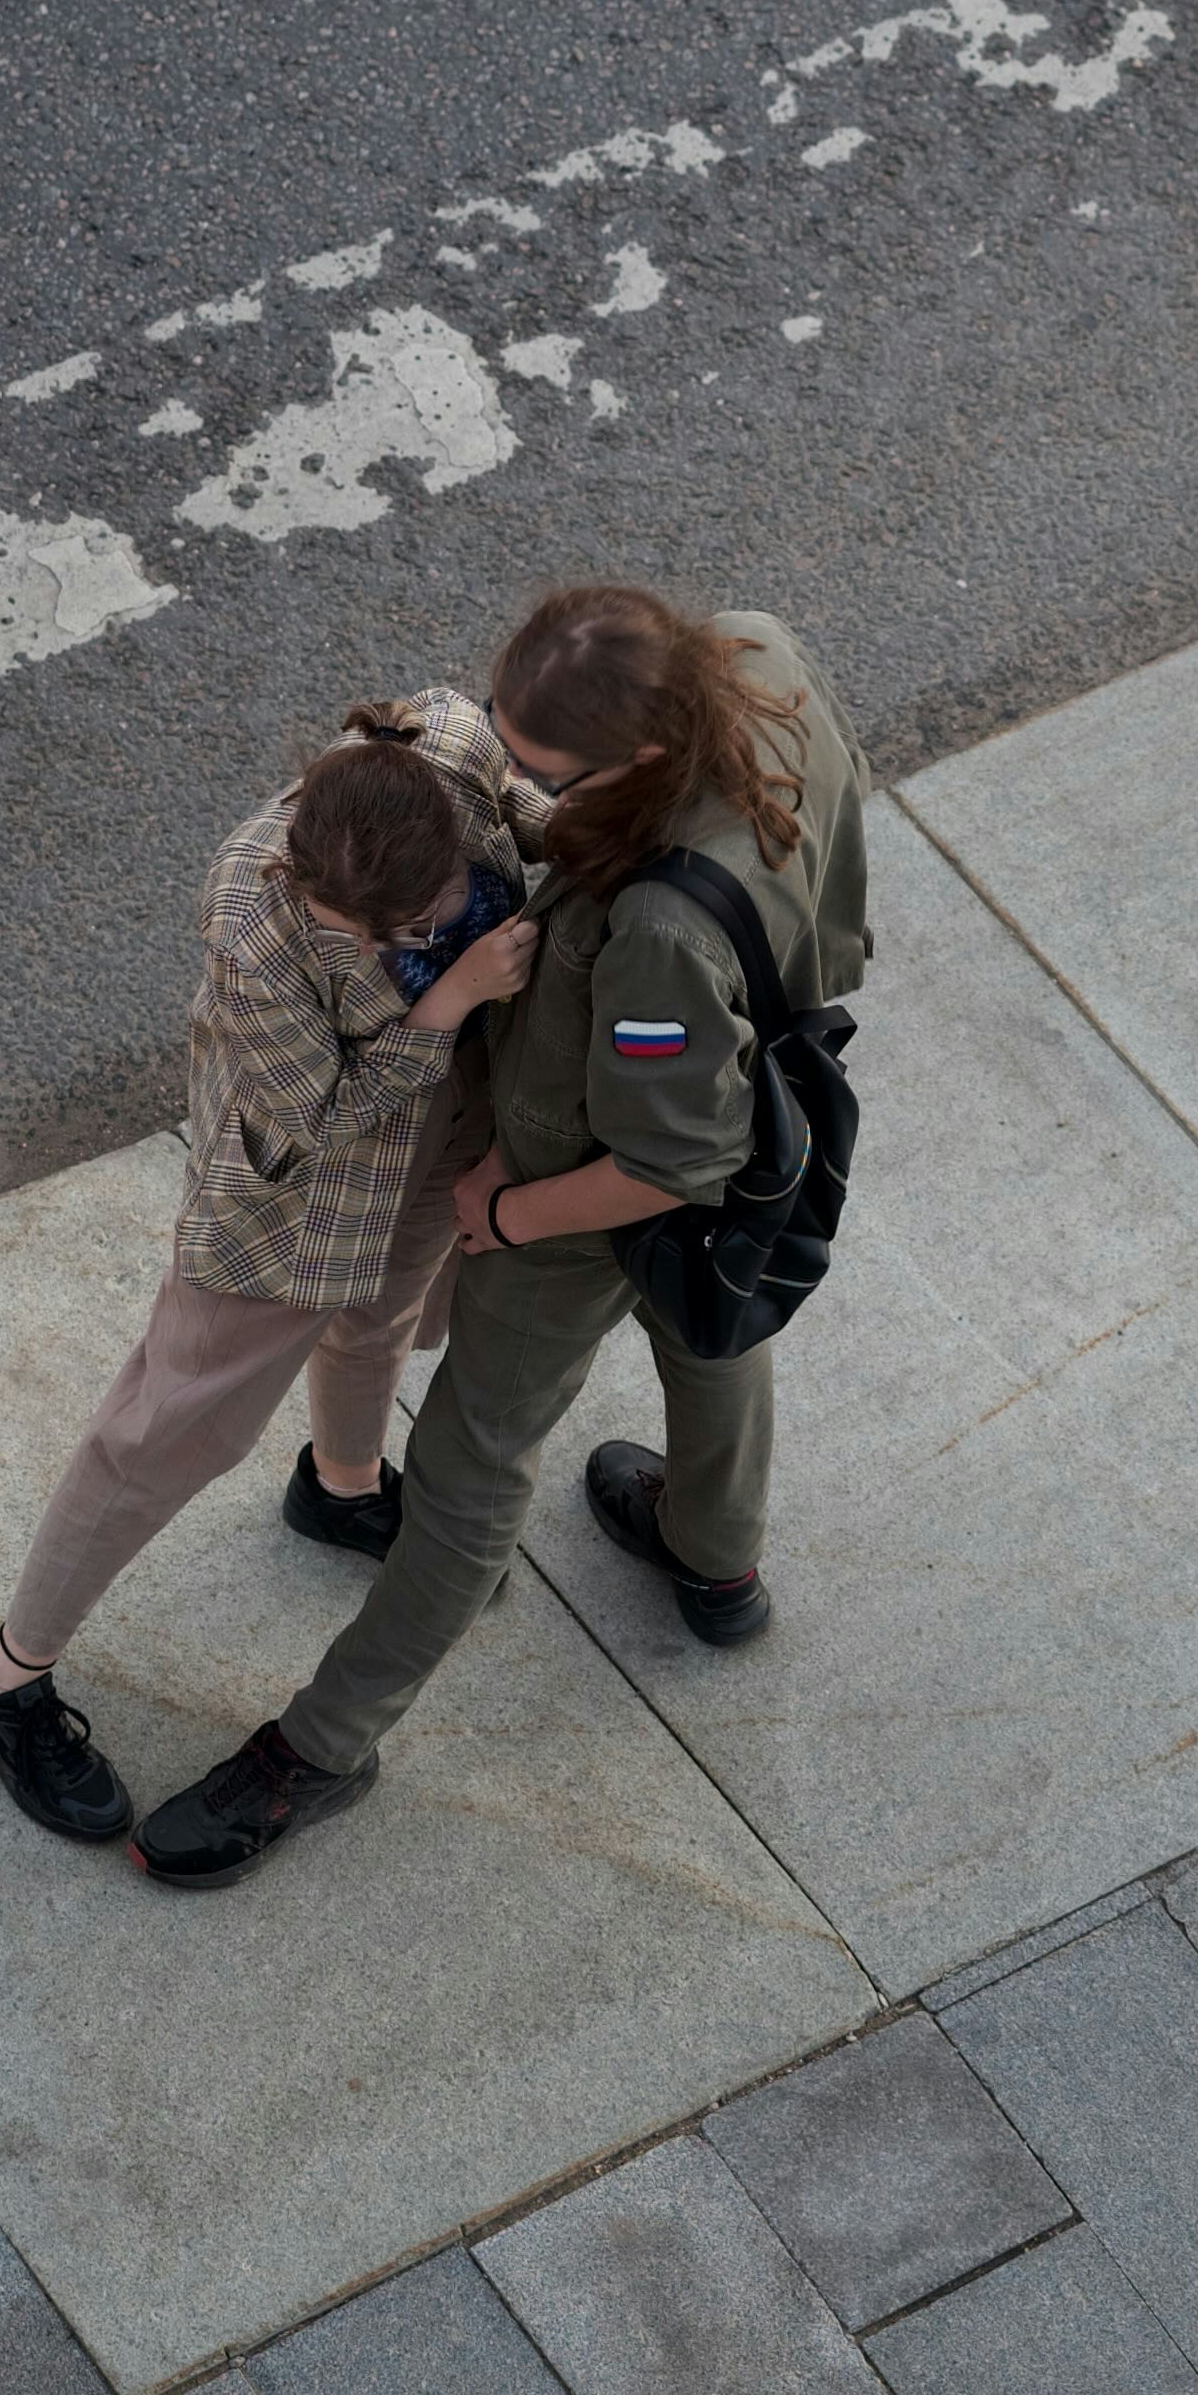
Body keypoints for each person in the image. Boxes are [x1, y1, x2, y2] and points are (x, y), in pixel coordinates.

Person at [131, 582, 868, 1883]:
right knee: (713, 1311)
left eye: (538, 772)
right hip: (752, 1069)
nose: (509, 788)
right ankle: (715, 1560)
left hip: (589, 1169)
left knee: (470, 1466)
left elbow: (664, 1163)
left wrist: (504, 1205)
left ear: (639, 755)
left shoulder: (656, 932)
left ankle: (321, 1749)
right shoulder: (761, 656)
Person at [0, 690, 544, 1842]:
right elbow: (314, 1116)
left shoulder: (449, 749)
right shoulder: (251, 926)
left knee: (385, 1320)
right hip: (297, 1197)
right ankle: (6, 1679)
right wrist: (451, 999)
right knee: (164, 1430)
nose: (405, 945)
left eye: (424, 918)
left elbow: (531, 811)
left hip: (440, 1138)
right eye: (376, 936)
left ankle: (343, 1485)